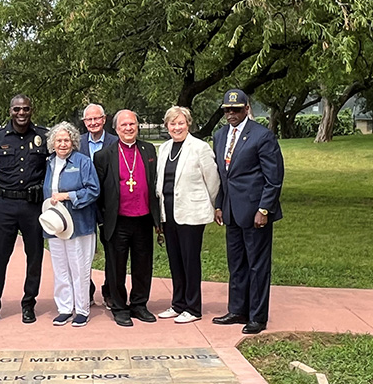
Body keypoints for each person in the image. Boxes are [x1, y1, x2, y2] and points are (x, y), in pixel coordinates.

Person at [212, 89, 284, 335]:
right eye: (227, 110)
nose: (231, 114)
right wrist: (219, 204)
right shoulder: (220, 136)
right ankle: (237, 309)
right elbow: (223, 176)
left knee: (257, 265)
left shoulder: (262, 136)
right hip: (231, 211)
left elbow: (273, 178)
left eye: (236, 109)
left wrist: (264, 208)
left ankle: (257, 316)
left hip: (255, 212)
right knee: (237, 264)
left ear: (246, 109)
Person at [0, 95, 49, 326]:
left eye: (26, 109)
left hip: (33, 206)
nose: (22, 113)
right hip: (5, 206)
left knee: (35, 256)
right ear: (10, 111)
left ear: (32, 110)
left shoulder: (43, 137)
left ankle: (29, 303)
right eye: (17, 109)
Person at [93, 109, 161, 327]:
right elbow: (99, 192)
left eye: (132, 124)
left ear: (137, 126)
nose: (129, 128)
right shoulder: (104, 155)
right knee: (116, 266)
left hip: (143, 218)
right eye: (124, 125)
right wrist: (102, 220)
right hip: (117, 220)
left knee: (143, 264)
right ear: (116, 128)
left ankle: (139, 304)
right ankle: (120, 307)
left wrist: (158, 220)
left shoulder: (148, 149)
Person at [155, 106, 220, 324]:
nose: (177, 127)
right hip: (169, 213)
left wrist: (214, 205)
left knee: (190, 260)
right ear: (167, 126)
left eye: (181, 123)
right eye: (172, 124)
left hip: (192, 214)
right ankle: (178, 304)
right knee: (175, 260)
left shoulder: (199, 147)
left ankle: (193, 307)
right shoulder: (163, 149)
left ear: (188, 124)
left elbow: (213, 181)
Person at [40, 122, 100, 327]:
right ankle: (65, 308)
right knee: (60, 268)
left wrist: (69, 195)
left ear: (73, 142)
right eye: (59, 140)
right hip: (56, 223)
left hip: (79, 224)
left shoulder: (83, 162)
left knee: (79, 268)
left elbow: (93, 190)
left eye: (66, 140)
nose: (63, 144)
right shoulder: (49, 162)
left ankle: (82, 309)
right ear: (52, 143)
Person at [79, 103, 118, 307]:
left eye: (97, 118)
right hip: (83, 206)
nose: (93, 123)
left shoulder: (115, 142)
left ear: (104, 119)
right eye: (89, 120)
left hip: (108, 206)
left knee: (111, 250)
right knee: (83, 251)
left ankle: (110, 291)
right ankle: (86, 290)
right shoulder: (77, 143)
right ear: (84, 122)